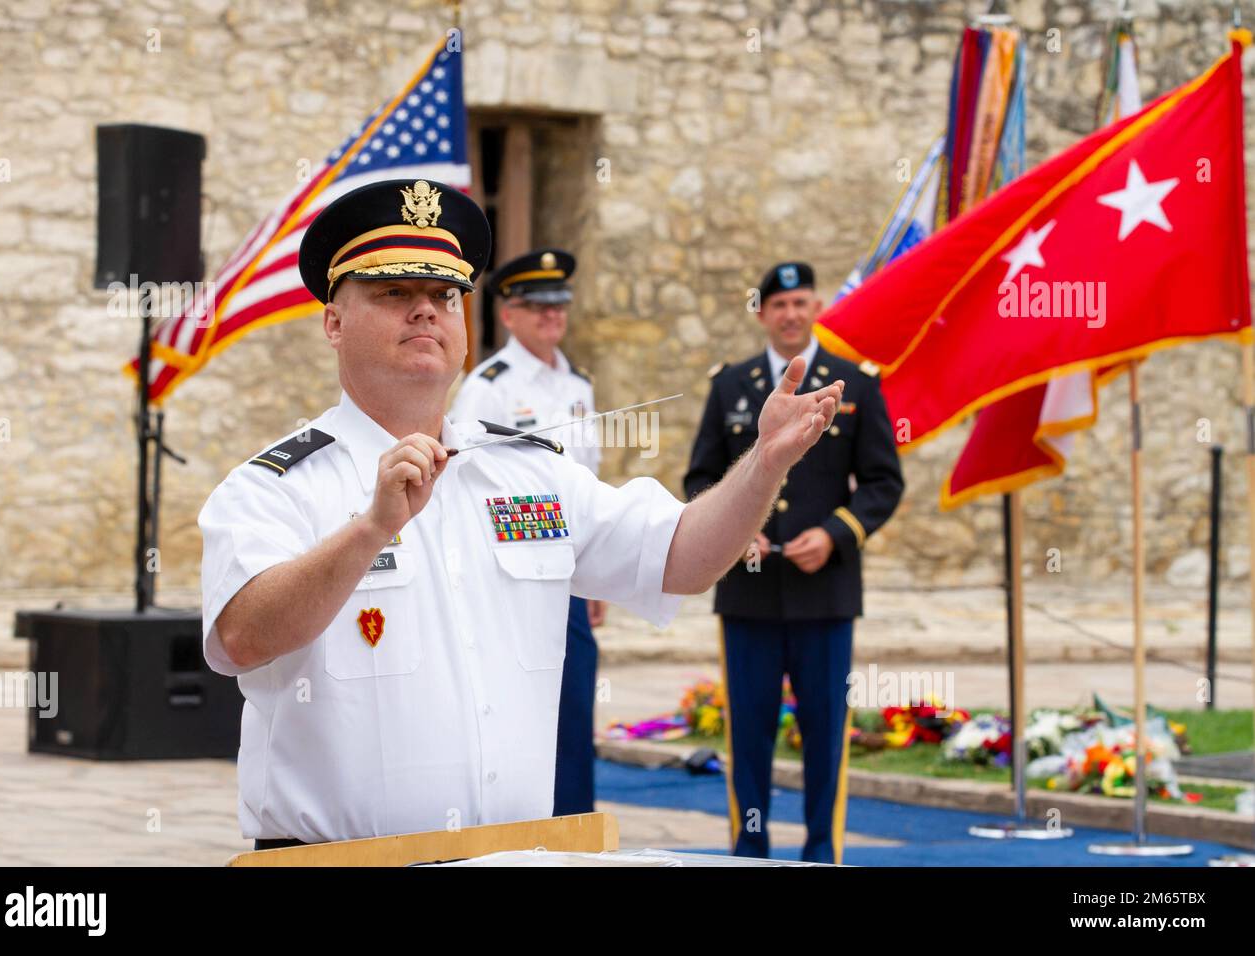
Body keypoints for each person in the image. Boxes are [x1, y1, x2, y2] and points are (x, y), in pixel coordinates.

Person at [198, 182, 846, 849]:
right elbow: (244, 636)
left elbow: (682, 557)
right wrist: (370, 530)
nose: (425, 311)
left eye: (445, 296)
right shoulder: (276, 486)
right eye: (394, 292)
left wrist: (764, 464)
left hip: (511, 856)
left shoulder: (526, 470)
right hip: (339, 867)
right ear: (334, 322)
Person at [683, 261, 904, 864]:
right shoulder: (731, 385)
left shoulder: (855, 385)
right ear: (762, 313)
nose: (790, 315)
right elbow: (700, 475)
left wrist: (837, 533)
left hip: (824, 591)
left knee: (825, 733)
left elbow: (883, 482)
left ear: (816, 310)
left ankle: (820, 851)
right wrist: (734, 530)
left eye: (801, 303)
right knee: (747, 733)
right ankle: (749, 849)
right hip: (749, 592)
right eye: (778, 305)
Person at [450, 248, 604, 818]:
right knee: (517, 702)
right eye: (537, 306)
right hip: (509, 571)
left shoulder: (577, 384)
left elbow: (588, 481)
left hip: (564, 568)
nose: (551, 316)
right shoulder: (487, 386)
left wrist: (598, 577)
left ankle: (575, 828)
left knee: (573, 702)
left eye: (558, 305)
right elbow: (468, 481)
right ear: (508, 314)